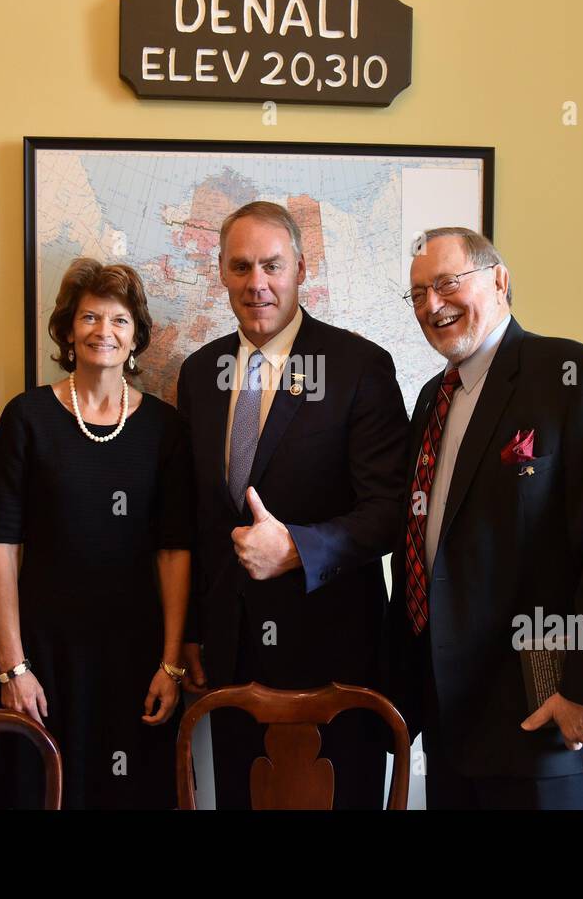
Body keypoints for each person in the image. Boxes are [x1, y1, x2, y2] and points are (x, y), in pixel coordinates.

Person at [385, 227, 583, 809]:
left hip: (548, 718)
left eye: (448, 283)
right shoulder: (433, 397)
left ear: (499, 280)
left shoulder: (574, 375)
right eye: (418, 293)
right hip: (452, 722)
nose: (432, 304)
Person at [175, 201, 407, 809]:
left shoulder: (359, 367)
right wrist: (196, 633)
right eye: (242, 266)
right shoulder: (200, 374)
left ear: (301, 269)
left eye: (273, 265)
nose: (258, 283)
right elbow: (201, 516)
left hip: (333, 651)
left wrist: (297, 550)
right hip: (232, 659)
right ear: (221, 273)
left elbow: (388, 509)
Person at [0, 258, 192, 808]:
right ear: (68, 331)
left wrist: (172, 664)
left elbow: (174, 552)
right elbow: (1, 548)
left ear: (136, 336)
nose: (105, 331)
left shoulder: (165, 429)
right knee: (43, 793)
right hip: (43, 661)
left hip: (138, 659)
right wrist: (13, 667)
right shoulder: (26, 418)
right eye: (91, 317)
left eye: (120, 320)